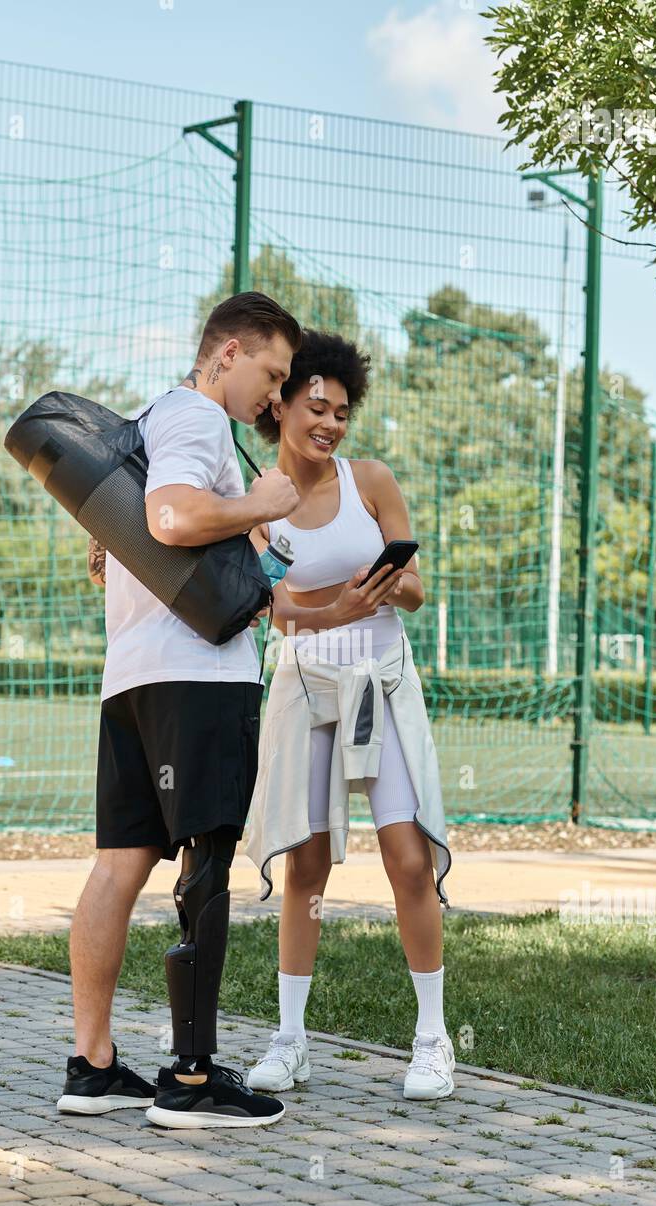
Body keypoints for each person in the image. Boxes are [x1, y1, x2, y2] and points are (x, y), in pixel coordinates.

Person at [57, 291, 302, 1128]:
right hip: (196, 679)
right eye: (270, 374)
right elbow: (173, 518)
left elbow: (130, 541)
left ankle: (92, 1067)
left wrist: (256, 554)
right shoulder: (197, 416)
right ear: (226, 354)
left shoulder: (150, 422)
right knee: (207, 861)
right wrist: (263, 506)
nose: (273, 398)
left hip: (130, 677)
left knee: (119, 865)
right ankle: (192, 1080)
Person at [243, 330, 455, 1101]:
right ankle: (291, 1042)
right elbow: (274, 608)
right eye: (315, 406)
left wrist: (387, 584)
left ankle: (432, 1040)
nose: (329, 423)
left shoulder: (371, 481)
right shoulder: (263, 502)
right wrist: (334, 608)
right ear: (282, 407)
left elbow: (417, 588)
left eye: (340, 411)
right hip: (308, 689)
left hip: (381, 683)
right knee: (308, 867)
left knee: (408, 858)